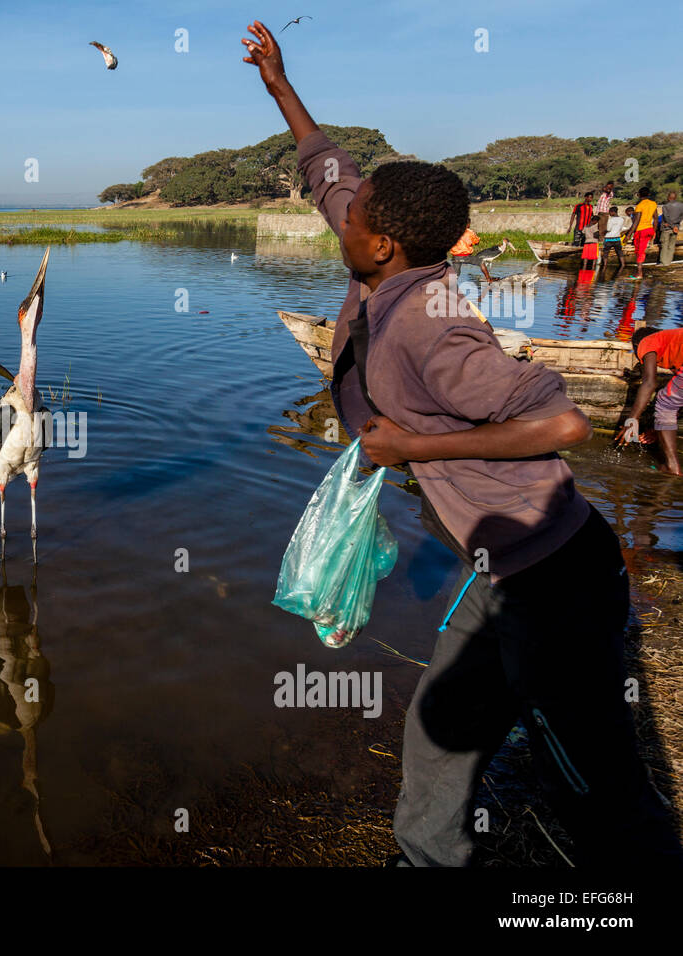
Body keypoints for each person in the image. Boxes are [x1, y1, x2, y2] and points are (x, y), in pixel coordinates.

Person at [242, 19, 682, 867]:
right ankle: (426, 860)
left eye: (355, 215)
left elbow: (566, 422)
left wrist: (410, 447)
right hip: (502, 571)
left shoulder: (435, 327)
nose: (344, 211)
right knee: (440, 734)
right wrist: (280, 85)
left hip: (550, 576)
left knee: (590, 778)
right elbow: (328, 169)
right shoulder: (380, 257)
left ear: (381, 243)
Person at [619, 327, 683, 474]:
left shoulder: (647, 341)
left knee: (664, 401)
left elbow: (649, 383)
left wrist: (632, 421)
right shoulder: (675, 349)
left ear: (637, 346)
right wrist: (660, 428)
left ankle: (671, 467)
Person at [628, 186, 659, 279]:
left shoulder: (639, 206)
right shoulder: (653, 204)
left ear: (639, 195)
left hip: (641, 230)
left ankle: (639, 273)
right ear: (649, 194)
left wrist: (629, 234)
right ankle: (639, 272)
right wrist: (654, 232)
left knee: (639, 252)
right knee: (641, 251)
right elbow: (656, 219)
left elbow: (636, 222)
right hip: (649, 229)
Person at [659, 190, 683, 266]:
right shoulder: (681, 206)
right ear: (675, 198)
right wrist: (676, 226)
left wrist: (672, 226)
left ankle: (663, 262)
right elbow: (681, 217)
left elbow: (666, 217)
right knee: (672, 246)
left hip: (667, 228)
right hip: (676, 228)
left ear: (669, 198)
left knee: (665, 245)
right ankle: (668, 262)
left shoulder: (665, 206)